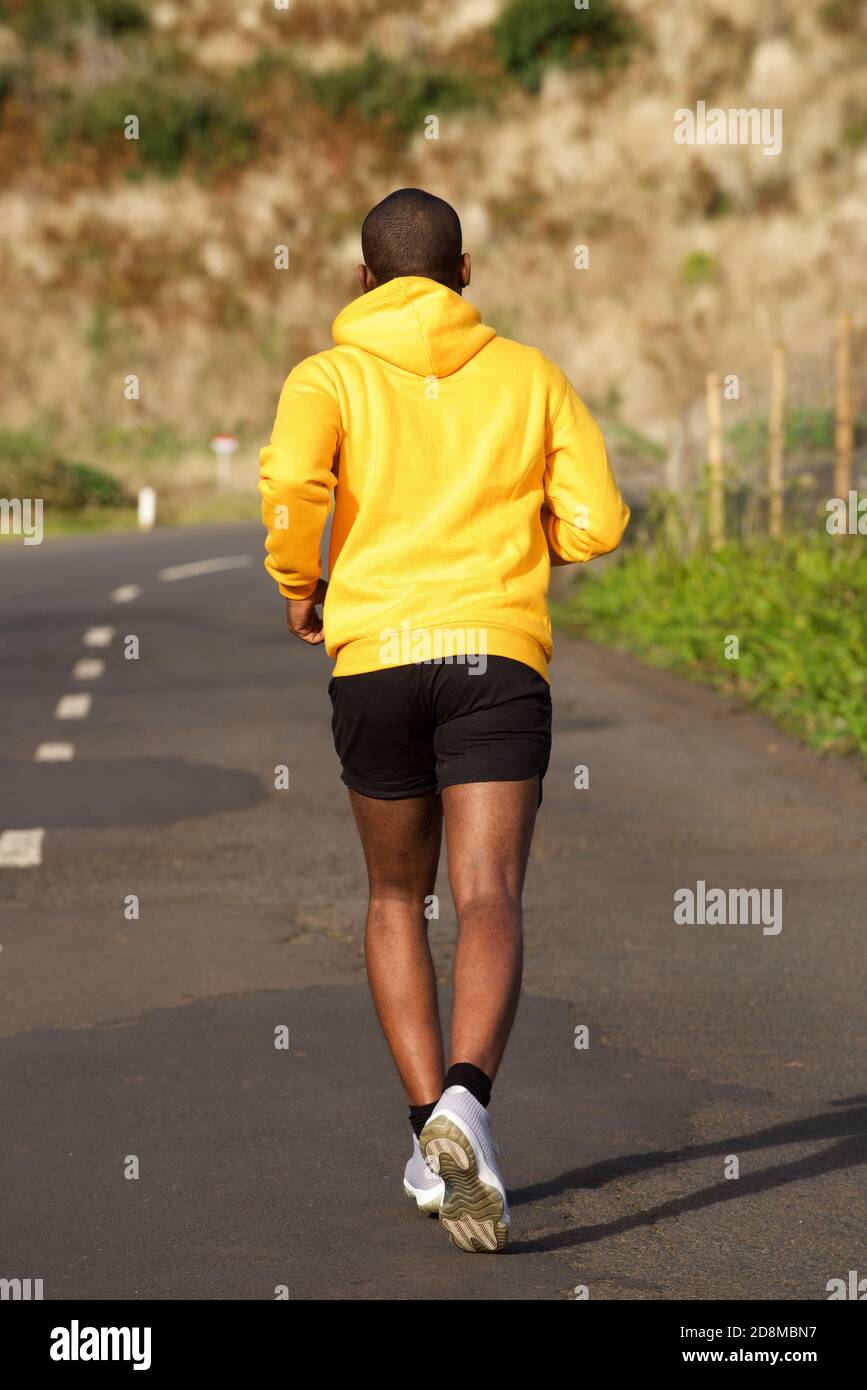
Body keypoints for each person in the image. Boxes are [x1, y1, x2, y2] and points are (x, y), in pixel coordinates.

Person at [259, 188, 629, 1253]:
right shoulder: (528, 373)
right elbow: (598, 518)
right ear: (466, 273)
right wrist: (527, 544)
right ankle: (470, 1101)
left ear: (362, 280)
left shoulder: (326, 375)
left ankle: (431, 1123)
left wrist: (299, 576)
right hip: (496, 655)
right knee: (488, 892)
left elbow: (293, 480)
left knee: (392, 894)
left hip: (375, 657)